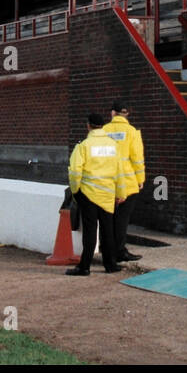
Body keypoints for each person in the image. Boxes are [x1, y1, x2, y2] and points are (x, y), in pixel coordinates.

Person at [66, 113, 128, 276]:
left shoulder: (84, 146)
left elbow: (74, 172)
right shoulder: (113, 146)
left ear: (89, 126)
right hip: (108, 196)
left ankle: (84, 266)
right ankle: (111, 264)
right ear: (102, 126)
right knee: (108, 230)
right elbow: (119, 173)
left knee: (90, 231)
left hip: (88, 195)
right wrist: (121, 193)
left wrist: (75, 191)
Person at [102, 100, 145, 262]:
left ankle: (107, 250)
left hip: (106, 181)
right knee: (122, 219)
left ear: (112, 113)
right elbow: (137, 159)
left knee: (108, 218)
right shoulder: (132, 132)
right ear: (126, 114)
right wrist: (140, 179)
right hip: (127, 183)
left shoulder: (103, 131)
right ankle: (119, 251)